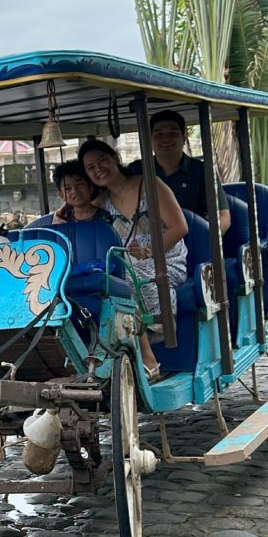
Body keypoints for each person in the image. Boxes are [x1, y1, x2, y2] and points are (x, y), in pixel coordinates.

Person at [79, 136, 188, 381]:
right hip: (129, 262)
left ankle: (148, 357)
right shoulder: (102, 201)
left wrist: (150, 252)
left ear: (116, 158)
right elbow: (78, 207)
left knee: (125, 280)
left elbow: (180, 228)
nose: (99, 170)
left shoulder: (151, 185)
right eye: (91, 168)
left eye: (102, 161)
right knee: (106, 279)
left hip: (167, 259)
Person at [130, 110, 231, 235]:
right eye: (159, 134)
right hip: (148, 241)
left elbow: (223, 217)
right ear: (150, 140)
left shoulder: (203, 171)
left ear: (184, 138)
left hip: (192, 239)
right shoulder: (136, 170)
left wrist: (202, 240)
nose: (166, 139)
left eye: (173, 133)